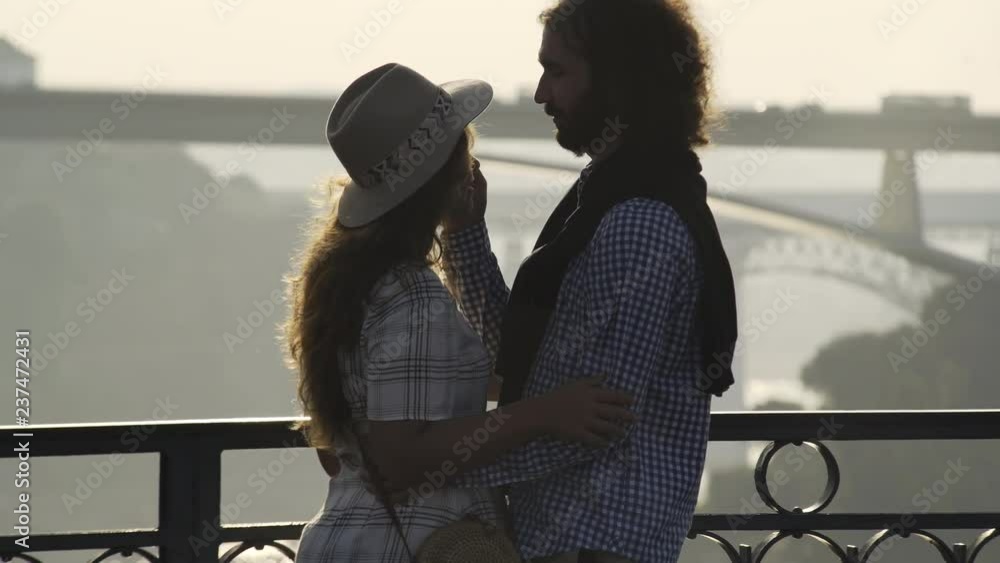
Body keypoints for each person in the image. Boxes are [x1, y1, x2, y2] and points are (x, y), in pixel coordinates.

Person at [279, 62, 636, 563]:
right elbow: (399, 458)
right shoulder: (412, 296)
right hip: (418, 545)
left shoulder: (351, 283)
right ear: (444, 174)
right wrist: (543, 414)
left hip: (347, 537)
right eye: (464, 149)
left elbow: (346, 447)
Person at [437, 1, 739, 562]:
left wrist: (432, 465)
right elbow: (539, 372)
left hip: (591, 546)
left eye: (557, 71)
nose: (540, 94)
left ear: (619, 80)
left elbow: (591, 422)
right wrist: (464, 235)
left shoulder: (635, 222)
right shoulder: (612, 196)